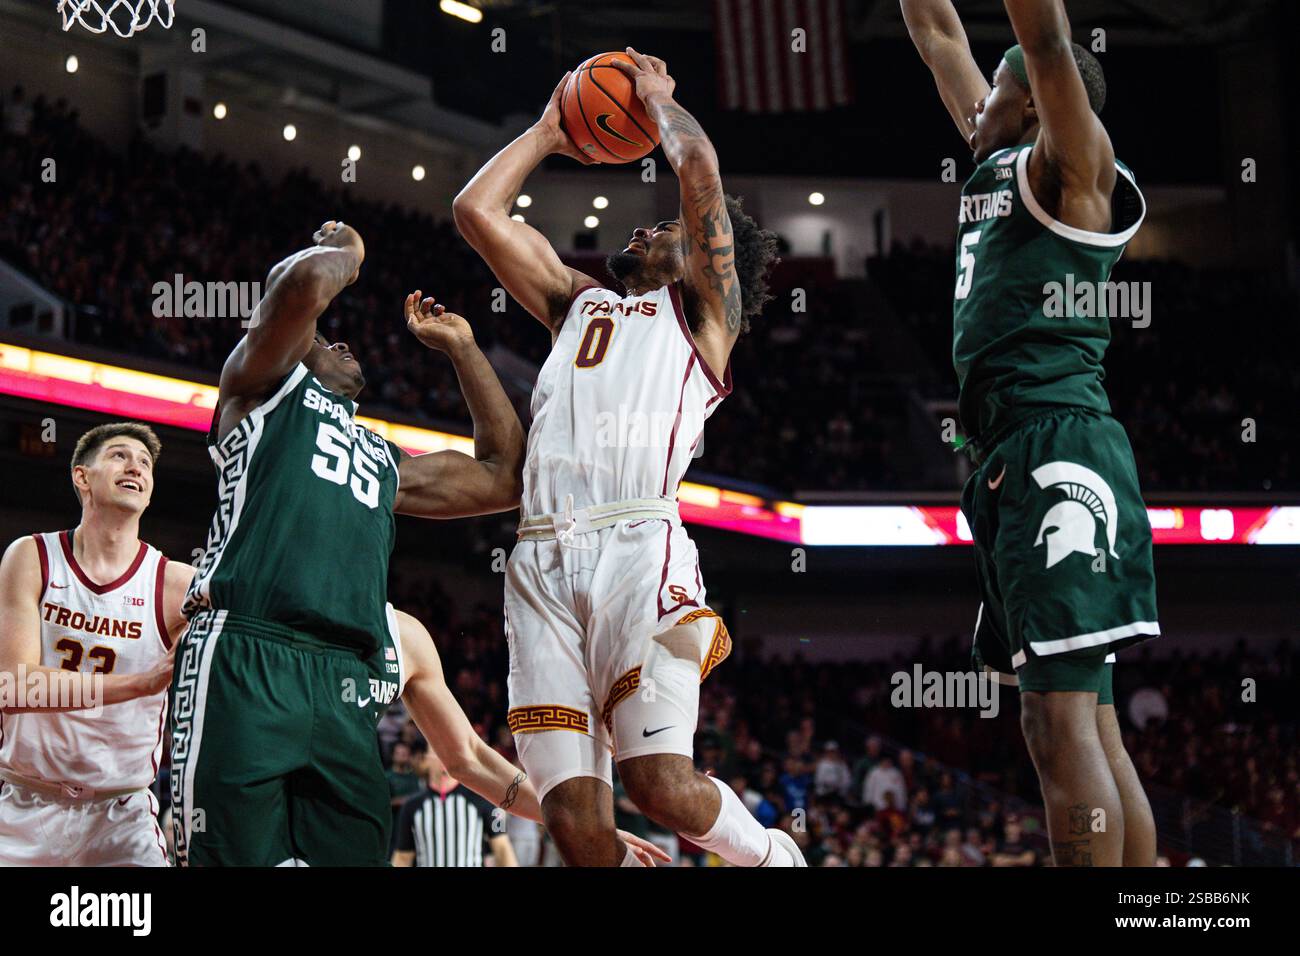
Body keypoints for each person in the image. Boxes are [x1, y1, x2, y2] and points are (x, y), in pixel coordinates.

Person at [453, 50, 794, 867]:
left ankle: (776, 857)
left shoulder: (708, 317)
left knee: (659, 786)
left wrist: (656, 97)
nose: (643, 229)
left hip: (639, 548)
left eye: (666, 229)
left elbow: (699, 166)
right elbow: (476, 211)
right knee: (574, 821)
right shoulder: (579, 304)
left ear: (711, 262)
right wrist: (546, 129)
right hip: (539, 555)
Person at [170, 219, 528, 866]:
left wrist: (463, 349)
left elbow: (504, 477)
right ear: (289, 348)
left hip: (347, 676)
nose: (341, 342)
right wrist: (351, 251)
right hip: (249, 649)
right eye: (324, 339)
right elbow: (306, 281)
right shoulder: (256, 395)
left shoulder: (383, 458)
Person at [901, 0, 1158, 866]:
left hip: (1057, 446)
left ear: (1037, 106)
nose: (978, 106)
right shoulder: (996, 160)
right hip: (1017, 454)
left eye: (997, 93)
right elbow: (938, 34)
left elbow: (1045, 36)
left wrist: (1035, 58)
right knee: (1091, 724)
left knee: (1056, 728)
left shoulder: (1069, 169)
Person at [0, 422, 192, 865]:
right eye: (120, 456)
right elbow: (14, 689)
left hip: (121, 812)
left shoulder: (176, 584)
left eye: (145, 463)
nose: (136, 467)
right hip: (27, 803)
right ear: (81, 476)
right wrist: (141, 684)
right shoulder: (32, 557)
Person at [392, 749, 517, 868]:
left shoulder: (484, 800)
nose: (444, 757)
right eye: (437, 751)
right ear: (425, 759)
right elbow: (402, 857)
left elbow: (502, 848)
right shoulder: (411, 806)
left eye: (449, 750)